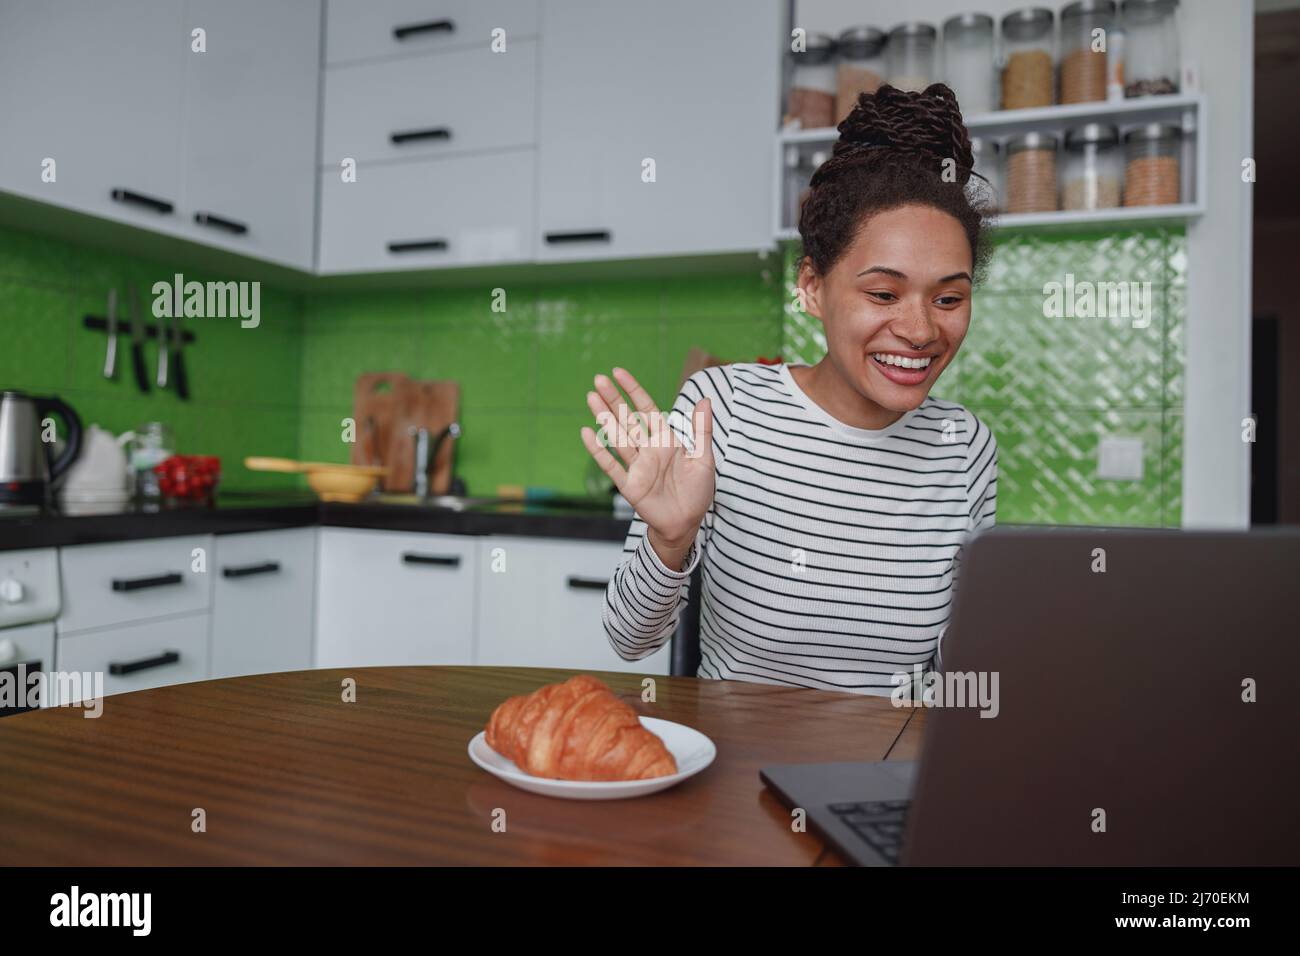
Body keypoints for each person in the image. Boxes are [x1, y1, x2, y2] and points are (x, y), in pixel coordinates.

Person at [580, 84, 997, 695]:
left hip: (887, 779)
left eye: (949, 298)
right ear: (812, 287)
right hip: (737, 777)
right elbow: (629, 639)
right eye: (882, 294)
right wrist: (671, 539)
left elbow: (961, 669)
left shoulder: (966, 447)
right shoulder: (722, 409)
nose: (919, 330)